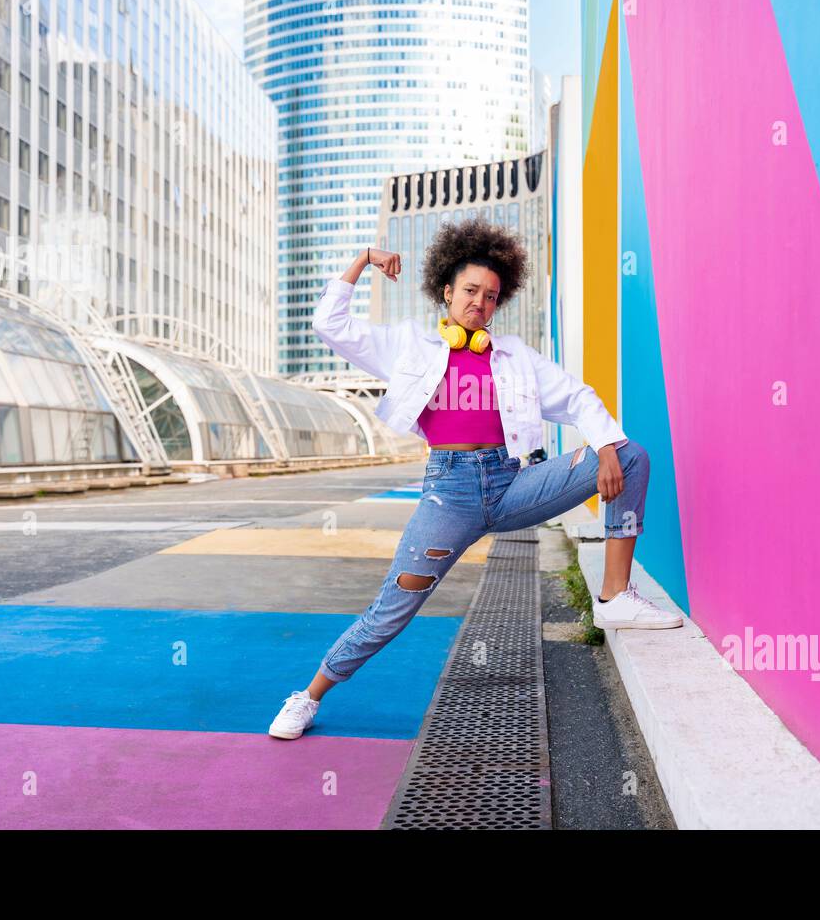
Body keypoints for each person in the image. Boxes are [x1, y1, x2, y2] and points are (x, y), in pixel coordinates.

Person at [269, 217, 680, 740]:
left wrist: (603, 445)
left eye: (490, 297)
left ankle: (615, 597)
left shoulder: (515, 358)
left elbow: (578, 396)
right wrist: (364, 261)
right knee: (392, 610)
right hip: (450, 497)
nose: (479, 303)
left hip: (513, 486)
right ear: (446, 290)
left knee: (630, 455)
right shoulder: (408, 346)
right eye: (469, 291)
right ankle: (308, 697)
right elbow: (331, 324)